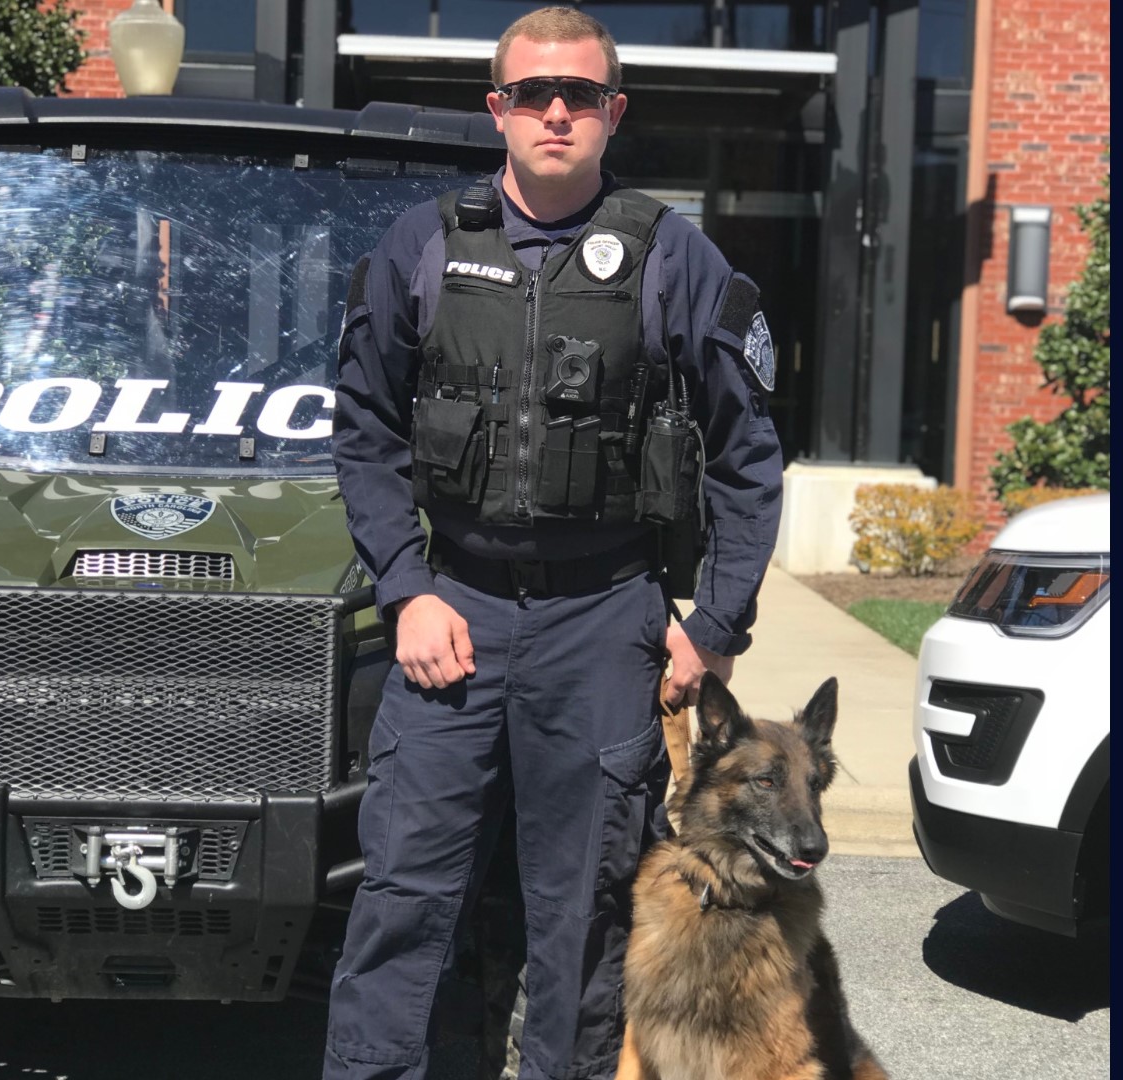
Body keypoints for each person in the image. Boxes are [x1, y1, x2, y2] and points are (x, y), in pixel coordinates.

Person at [325, 9, 784, 1079]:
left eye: (580, 93)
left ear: (615, 111)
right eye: (534, 92)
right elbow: (366, 429)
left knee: (580, 927)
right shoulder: (428, 243)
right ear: (499, 107)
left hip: (603, 621)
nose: (558, 111)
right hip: (457, 611)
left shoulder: (675, 257)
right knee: (400, 903)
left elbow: (748, 453)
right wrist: (406, 587)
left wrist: (715, 626)